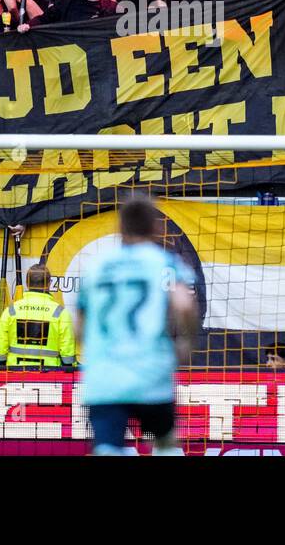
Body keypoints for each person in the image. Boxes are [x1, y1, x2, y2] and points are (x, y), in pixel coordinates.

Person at [75, 195, 198, 455]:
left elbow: (79, 327)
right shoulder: (164, 262)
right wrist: (186, 342)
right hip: (150, 370)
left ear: (120, 227)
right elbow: (185, 305)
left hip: (105, 376)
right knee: (165, 443)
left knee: (107, 448)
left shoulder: (95, 266)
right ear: (156, 227)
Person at [0, 259, 77, 369]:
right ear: (49, 284)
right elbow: (67, 355)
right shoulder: (60, 313)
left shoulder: (11, 311)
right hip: (50, 376)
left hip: (15, 375)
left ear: (27, 283)